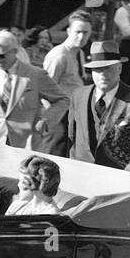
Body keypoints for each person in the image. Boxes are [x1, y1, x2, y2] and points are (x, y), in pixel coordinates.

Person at [0, 29, 67, 150]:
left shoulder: (36, 75)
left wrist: (46, 121)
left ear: (14, 51)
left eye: (2, 55)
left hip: (26, 146)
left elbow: (63, 100)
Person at [67, 40, 130, 172]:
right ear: (91, 71)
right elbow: (71, 138)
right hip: (80, 174)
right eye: (97, 69)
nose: (103, 74)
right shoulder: (78, 96)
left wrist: (125, 177)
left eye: (108, 68)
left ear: (119, 68)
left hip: (118, 179)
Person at [42, 10, 93, 157]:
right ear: (69, 31)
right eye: (78, 32)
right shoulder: (58, 55)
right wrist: (54, 122)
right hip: (58, 119)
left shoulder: (81, 53)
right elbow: (45, 91)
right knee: (51, 159)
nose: (81, 36)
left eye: (85, 32)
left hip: (74, 115)